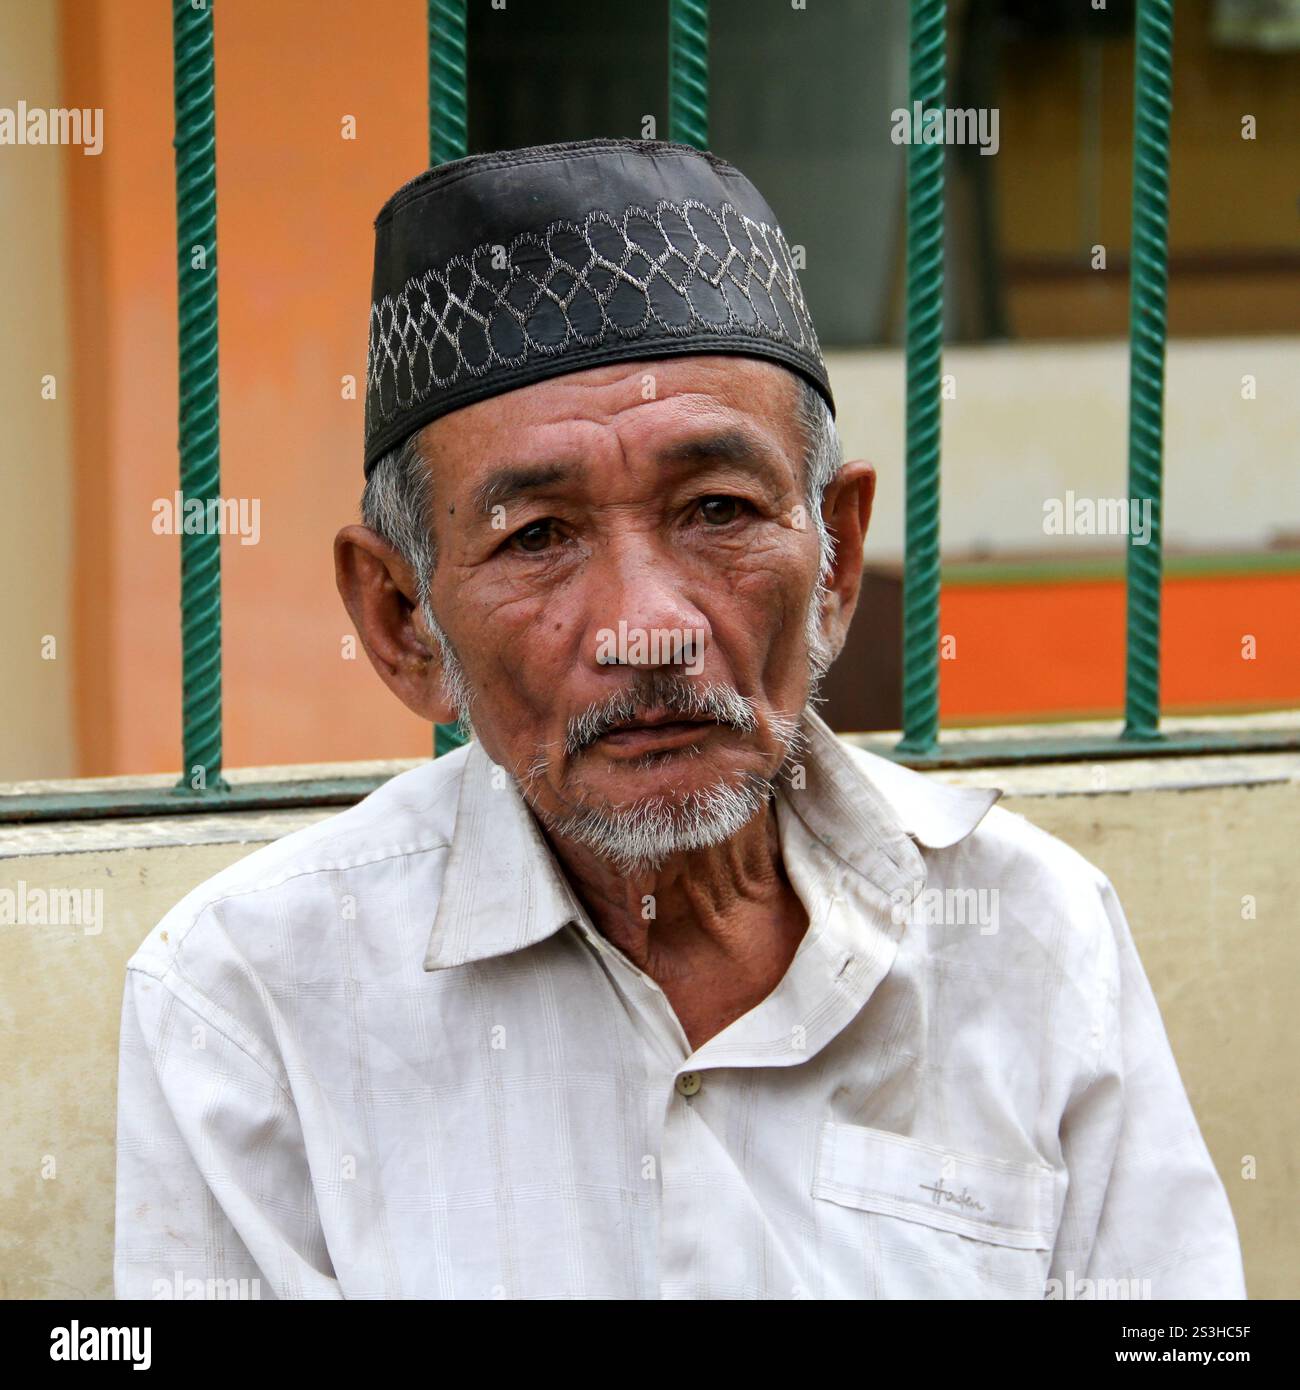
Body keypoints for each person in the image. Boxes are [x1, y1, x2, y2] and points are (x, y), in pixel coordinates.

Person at [113, 138, 1245, 1299]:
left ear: (838, 558)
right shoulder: (247, 1004)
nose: (646, 630)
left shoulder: (1029, 932)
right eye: (537, 538)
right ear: (404, 620)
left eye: (716, 509)